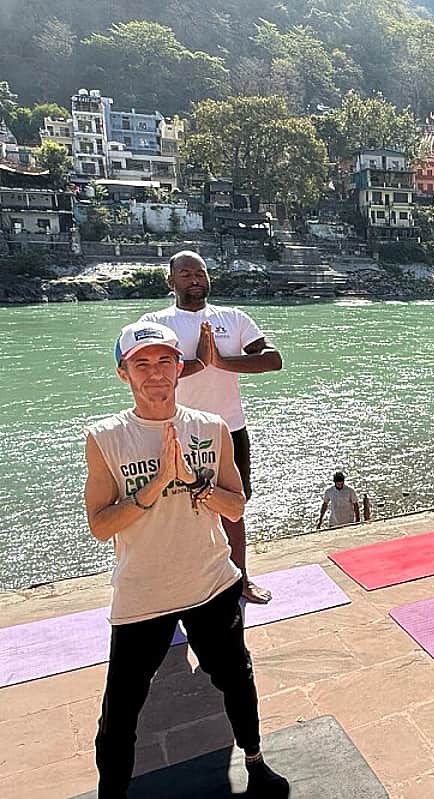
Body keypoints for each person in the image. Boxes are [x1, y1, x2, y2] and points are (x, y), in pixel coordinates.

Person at [84, 322, 288, 799]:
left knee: (237, 678)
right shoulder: (105, 437)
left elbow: (236, 506)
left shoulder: (210, 427)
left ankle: (255, 759)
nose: (154, 374)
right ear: (123, 374)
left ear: (179, 368)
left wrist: (198, 485)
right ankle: (111, 791)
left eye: (163, 362)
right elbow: (100, 525)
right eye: (141, 364)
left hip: (211, 582)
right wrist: (155, 485)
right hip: (143, 594)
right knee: (121, 709)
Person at [140, 251, 283, 605]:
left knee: (233, 507)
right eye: (185, 273)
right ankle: (179, 588)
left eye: (200, 272)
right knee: (173, 511)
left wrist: (219, 360)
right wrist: (200, 363)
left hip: (228, 429)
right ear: (170, 281)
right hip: (173, 431)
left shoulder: (232, 319)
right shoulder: (156, 322)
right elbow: (151, 374)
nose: (194, 279)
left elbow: (272, 360)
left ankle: (241, 580)